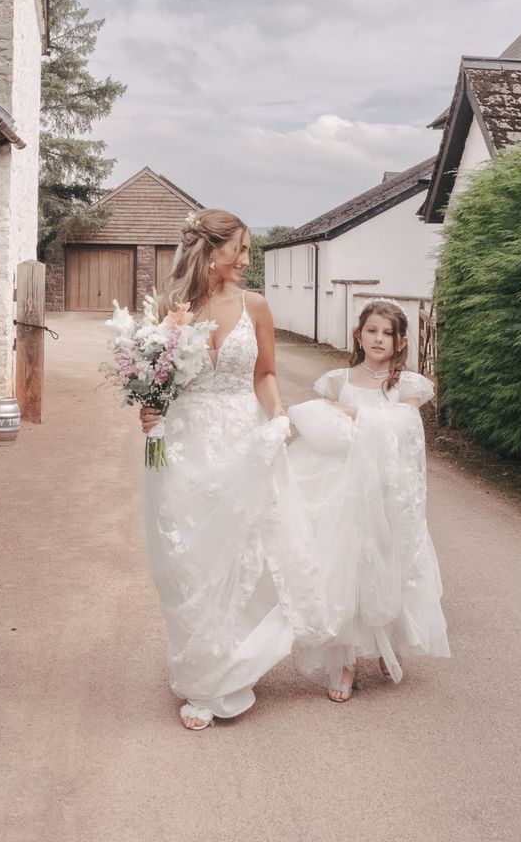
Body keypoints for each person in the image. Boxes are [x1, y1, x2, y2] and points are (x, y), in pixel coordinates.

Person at [138, 209, 327, 730]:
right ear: (210, 250)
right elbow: (158, 381)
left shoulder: (256, 306)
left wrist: (281, 417)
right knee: (188, 559)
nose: (247, 260)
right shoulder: (171, 308)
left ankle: (223, 673)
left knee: (242, 556)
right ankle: (200, 666)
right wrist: (147, 407)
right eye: (239, 250)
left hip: (243, 440)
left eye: (248, 251)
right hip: (183, 443)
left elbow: (265, 374)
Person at [284, 299, 450, 702]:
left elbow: (407, 427)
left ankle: (385, 644)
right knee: (347, 569)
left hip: (389, 490)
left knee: (388, 563)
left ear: (400, 341)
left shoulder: (406, 385)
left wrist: (359, 417)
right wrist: (331, 412)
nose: (378, 339)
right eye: (371, 331)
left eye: (387, 333)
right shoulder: (337, 381)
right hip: (346, 490)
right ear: (358, 335)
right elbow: (324, 432)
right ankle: (345, 661)